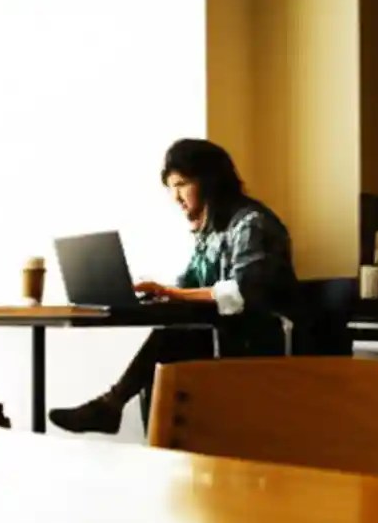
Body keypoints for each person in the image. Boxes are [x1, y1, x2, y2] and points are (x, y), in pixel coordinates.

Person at [49, 138, 297, 434]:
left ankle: (112, 406)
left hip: (254, 342)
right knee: (169, 344)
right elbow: (189, 282)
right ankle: (120, 413)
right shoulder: (210, 232)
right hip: (221, 336)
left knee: (171, 342)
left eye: (181, 184)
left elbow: (240, 293)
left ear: (208, 182)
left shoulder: (251, 223)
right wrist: (155, 292)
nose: (175, 197)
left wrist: (171, 293)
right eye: (171, 187)